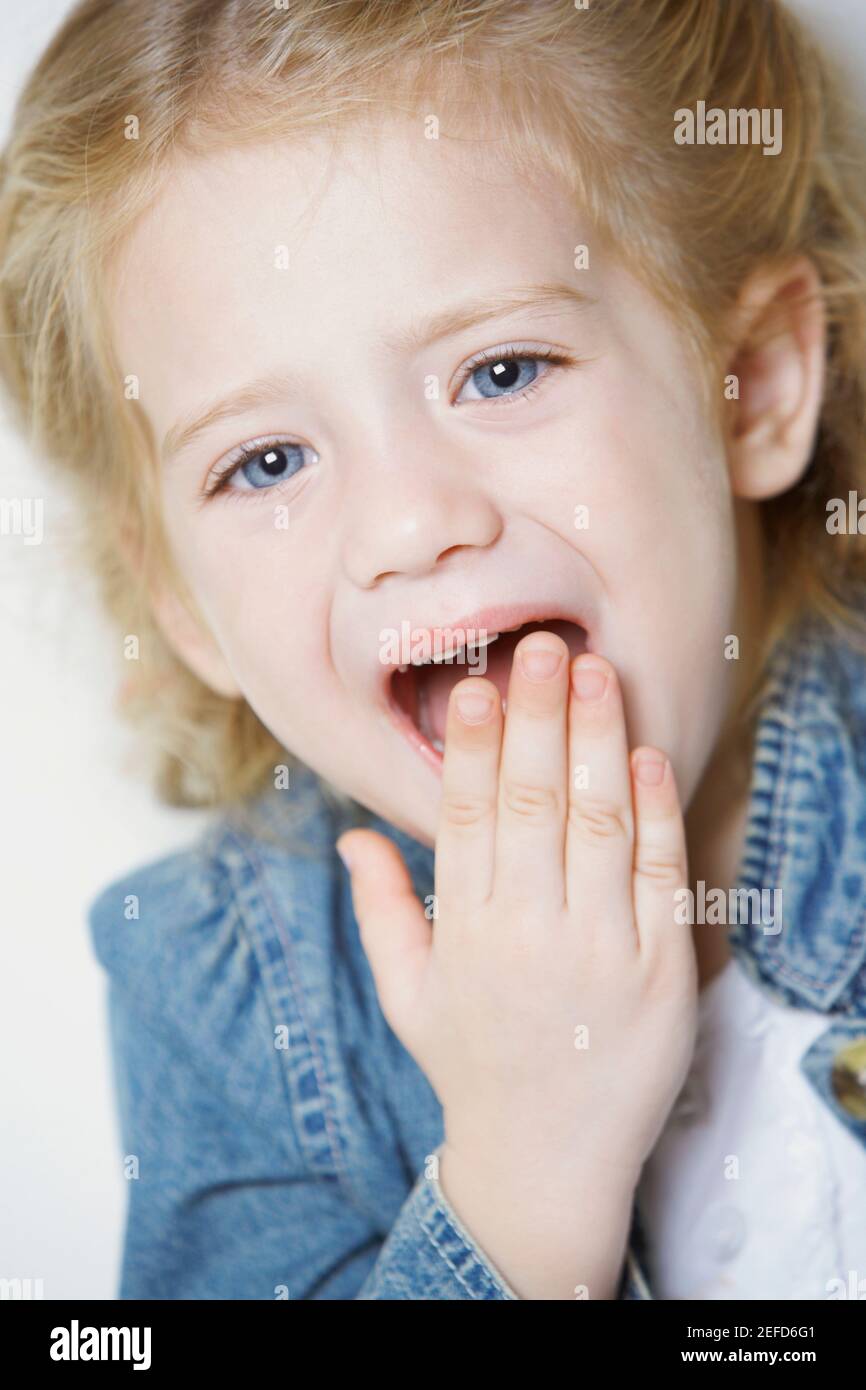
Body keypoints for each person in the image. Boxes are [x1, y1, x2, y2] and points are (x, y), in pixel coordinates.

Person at [1, 0, 865, 1299]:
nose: (408, 526)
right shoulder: (226, 992)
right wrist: (524, 1178)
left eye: (502, 371)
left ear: (754, 380)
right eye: (268, 460)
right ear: (180, 600)